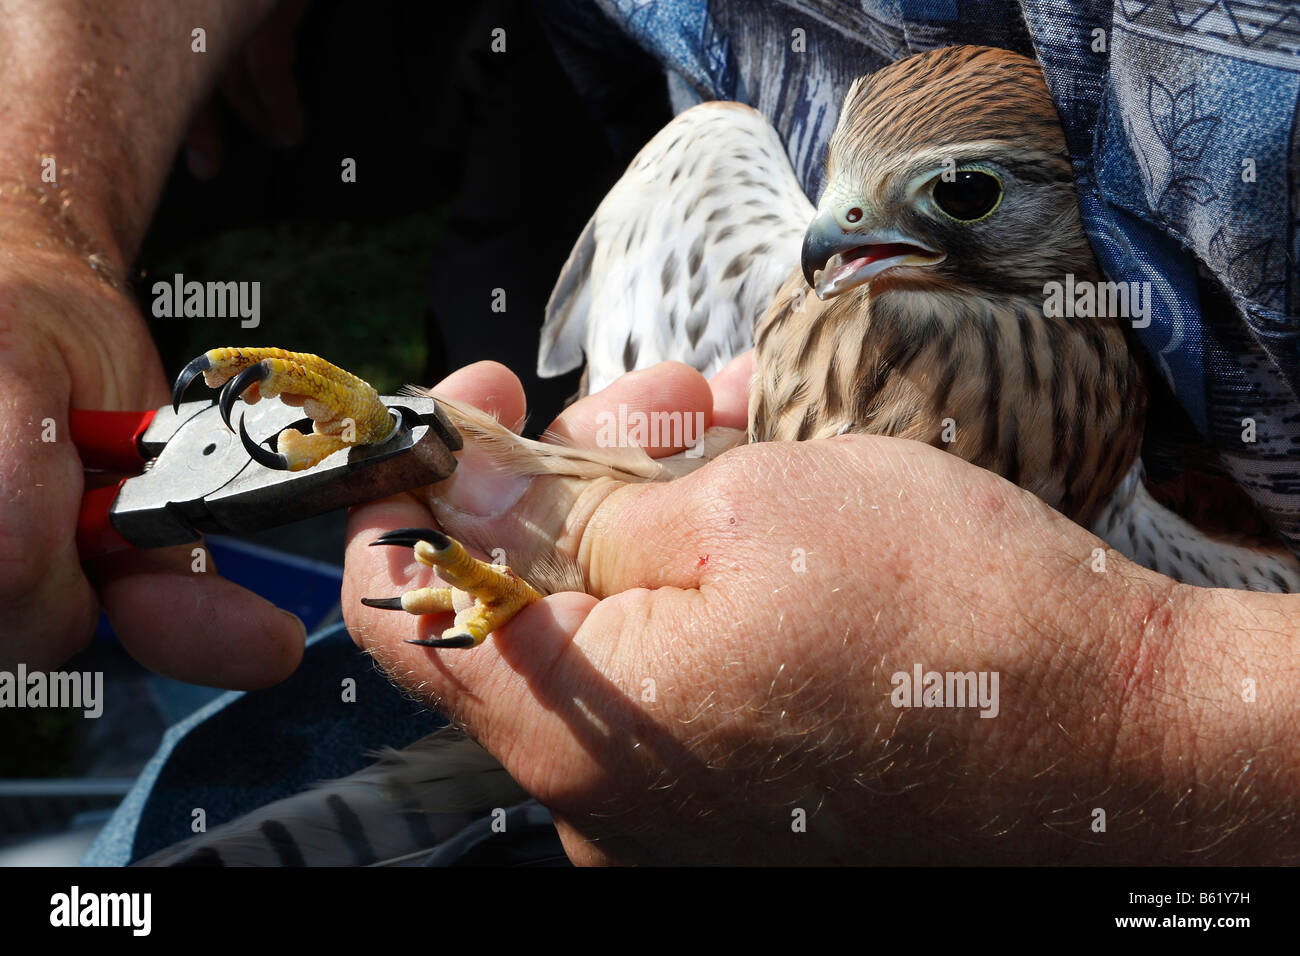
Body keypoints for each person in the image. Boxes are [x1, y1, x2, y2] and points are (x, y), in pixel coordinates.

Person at [4, 0, 1298, 864]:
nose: (831, 238)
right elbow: (665, 496)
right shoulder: (819, 261)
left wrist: (1151, 727)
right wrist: (27, 224)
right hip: (640, 660)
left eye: (954, 200)